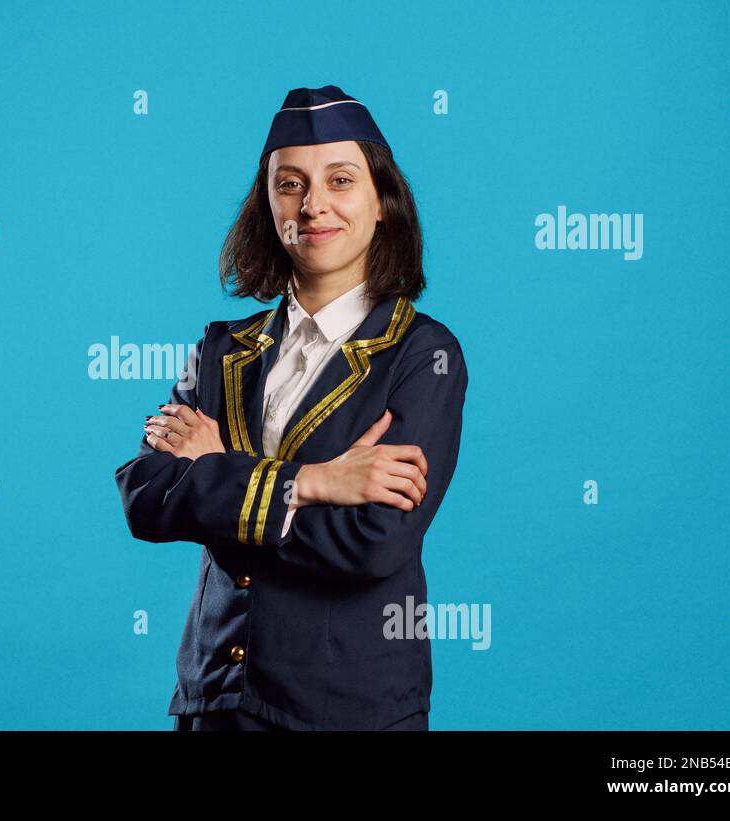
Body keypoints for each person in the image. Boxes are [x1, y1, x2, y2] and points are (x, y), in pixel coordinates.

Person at [114, 85, 468, 731]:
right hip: (216, 697)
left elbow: (371, 541)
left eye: (340, 180)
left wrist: (218, 470)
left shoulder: (423, 352)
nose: (313, 205)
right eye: (290, 184)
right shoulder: (222, 347)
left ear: (382, 202)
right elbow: (146, 494)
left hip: (351, 704)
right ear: (267, 203)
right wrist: (314, 482)